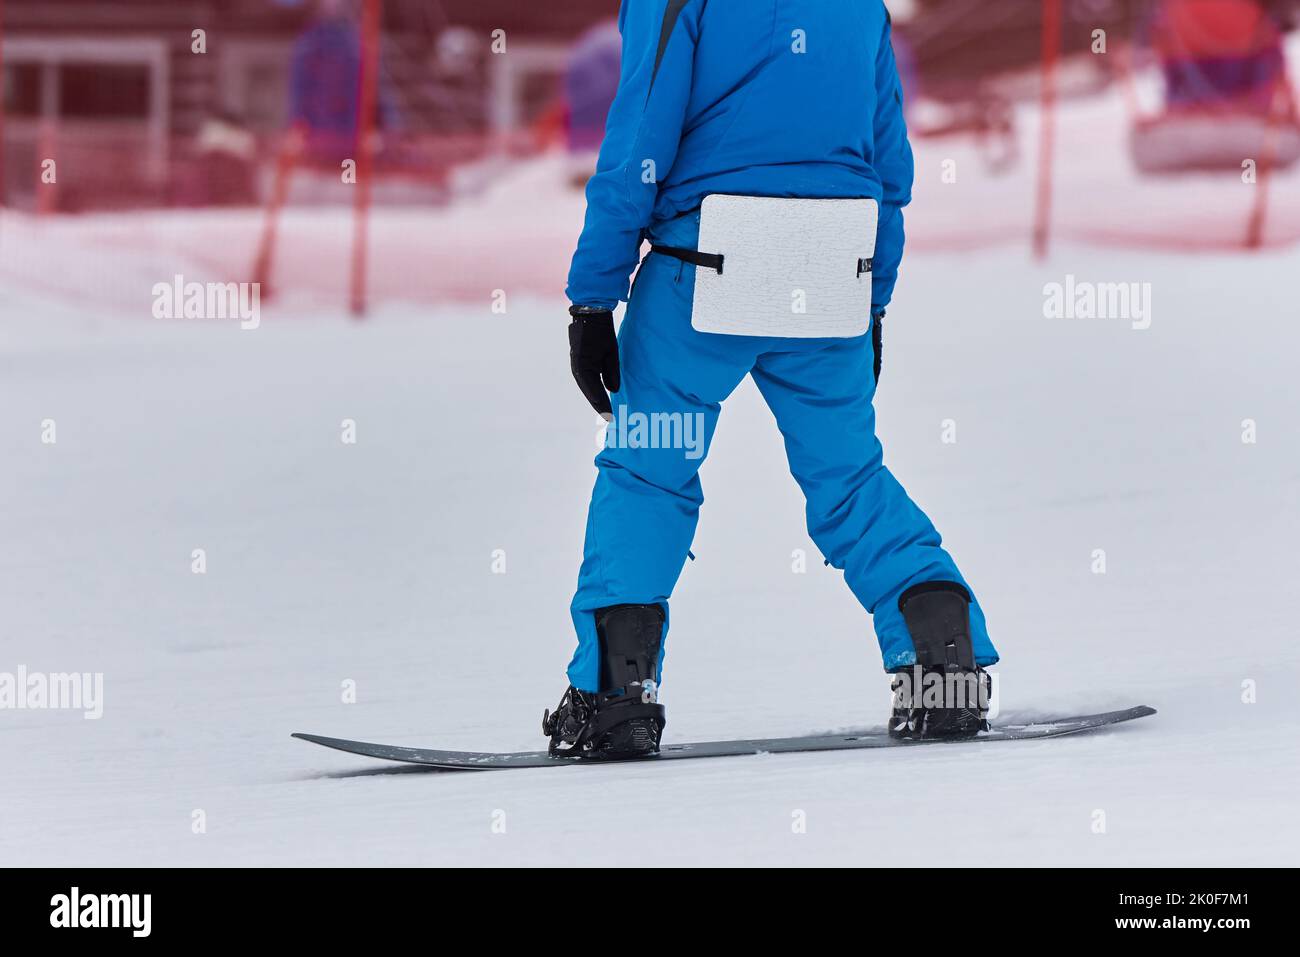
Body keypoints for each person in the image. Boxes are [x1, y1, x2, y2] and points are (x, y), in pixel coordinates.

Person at [545, 0, 998, 759]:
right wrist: (873, 295)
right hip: (830, 269)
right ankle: (940, 655)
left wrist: (594, 294)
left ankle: (614, 694)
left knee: (650, 471)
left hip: (707, 265)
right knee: (850, 477)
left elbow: (639, 145)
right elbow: (889, 162)